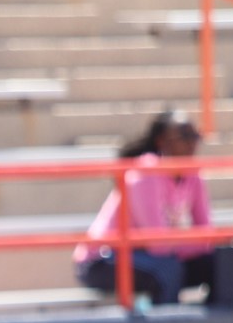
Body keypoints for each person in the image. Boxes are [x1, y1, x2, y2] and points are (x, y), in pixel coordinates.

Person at [74, 110, 216, 306]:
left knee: (220, 263)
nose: (192, 143)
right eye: (184, 136)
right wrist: (191, 243)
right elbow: (158, 244)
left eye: (195, 136)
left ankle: (220, 322)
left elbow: (206, 234)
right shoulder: (146, 173)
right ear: (162, 141)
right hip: (102, 260)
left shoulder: (193, 174)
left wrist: (198, 245)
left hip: (149, 255)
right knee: (167, 269)